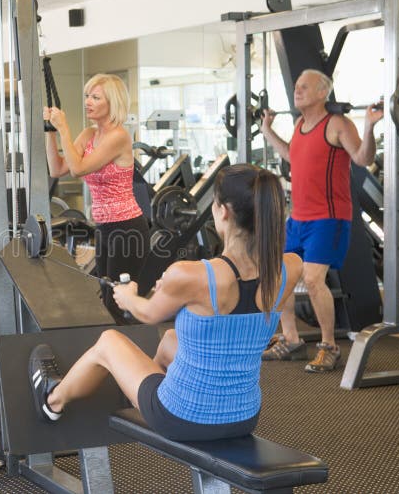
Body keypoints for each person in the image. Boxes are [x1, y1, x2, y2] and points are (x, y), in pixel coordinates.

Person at [28, 164, 302, 441]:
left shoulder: (192, 274)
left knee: (109, 342)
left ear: (223, 211)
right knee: (171, 339)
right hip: (244, 417)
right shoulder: (290, 268)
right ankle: (138, 394)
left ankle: (52, 401)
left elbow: (146, 313)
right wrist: (174, 290)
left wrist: (127, 295)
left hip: (183, 417)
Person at [260, 69, 383, 372]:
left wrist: (368, 126)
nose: (297, 91)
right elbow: (292, 156)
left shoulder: (338, 124)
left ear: (321, 93)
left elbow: (363, 159)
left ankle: (329, 346)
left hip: (328, 218)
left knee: (313, 280)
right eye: (296, 86)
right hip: (298, 219)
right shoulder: (301, 124)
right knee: (279, 278)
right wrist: (266, 131)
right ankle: (291, 340)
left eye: (304, 87)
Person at [44, 73, 149, 324]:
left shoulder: (119, 136)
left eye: (95, 97)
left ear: (112, 103)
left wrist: (63, 128)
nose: (88, 102)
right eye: (87, 97)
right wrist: (49, 131)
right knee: (105, 297)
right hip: (103, 227)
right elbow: (57, 169)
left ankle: (131, 358)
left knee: (119, 305)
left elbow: (79, 168)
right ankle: (113, 356)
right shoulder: (89, 134)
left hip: (127, 228)